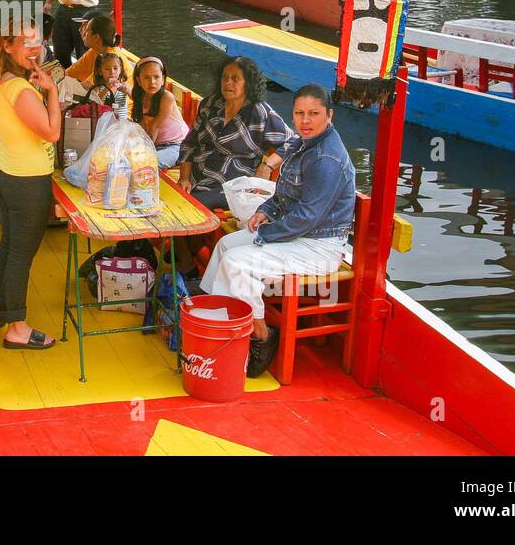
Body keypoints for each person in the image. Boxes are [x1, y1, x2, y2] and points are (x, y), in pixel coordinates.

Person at [201, 85, 357, 378]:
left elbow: (307, 218)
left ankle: (260, 334)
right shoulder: (303, 143)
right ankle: (216, 314)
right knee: (227, 245)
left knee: (238, 262)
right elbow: (284, 192)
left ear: (329, 116)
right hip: (296, 232)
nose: (305, 120)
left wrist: (265, 235)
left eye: (314, 114)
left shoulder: (326, 159)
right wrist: (266, 210)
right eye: (299, 113)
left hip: (318, 246)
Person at [174, 56, 299, 276]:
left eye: (235, 79)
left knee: (187, 208)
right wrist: (184, 177)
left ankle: (186, 267)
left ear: (248, 83)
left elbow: (293, 142)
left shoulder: (260, 112)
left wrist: (268, 165)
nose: (228, 83)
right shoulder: (211, 104)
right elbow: (190, 143)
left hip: (232, 184)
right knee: (172, 200)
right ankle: (187, 250)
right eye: (224, 78)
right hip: (198, 176)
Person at [0, 15, 61, 349]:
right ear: (8, 46)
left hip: (7, 174)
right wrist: (53, 91)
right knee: (21, 253)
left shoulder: (0, 81)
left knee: (10, 243)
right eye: (25, 42)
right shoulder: (20, 89)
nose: (34, 49)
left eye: (38, 42)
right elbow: (52, 132)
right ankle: (17, 326)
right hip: (27, 182)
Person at [130, 56, 189, 168]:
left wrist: (143, 152)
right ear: (138, 80)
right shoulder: (141, 97)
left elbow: (154, 127)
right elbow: (142, 127)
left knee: (147, 165)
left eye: (156, 77)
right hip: (156, 144)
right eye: (147, 78)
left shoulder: (166, 97)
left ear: (162, 80)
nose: (152, 82)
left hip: (177, 146)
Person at [64, 13, 130, 89]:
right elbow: (68, 73)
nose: (82, 31)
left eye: (87, 30)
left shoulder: (110, 58)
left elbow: (89, 86)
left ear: (96, 37)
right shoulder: (94, 51)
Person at [87, 51, 129, 119]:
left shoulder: (124, 85)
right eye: (107, 69)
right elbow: (94, 104)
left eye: (115, 68)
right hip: (104, 124)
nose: (112, 72)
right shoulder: (98, 88)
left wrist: (127, 90)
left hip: (122, 125)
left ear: (120, 70)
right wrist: (106, 89)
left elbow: (136, 97)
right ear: (100, 71)